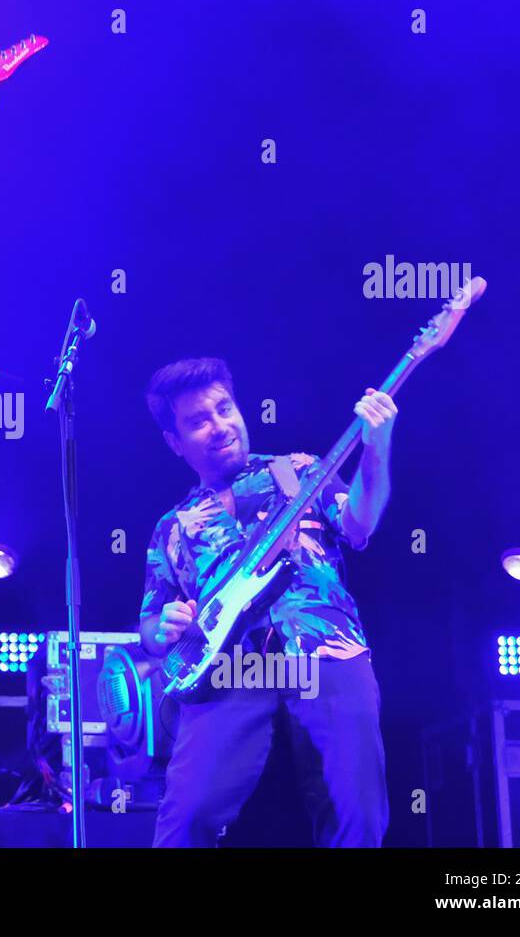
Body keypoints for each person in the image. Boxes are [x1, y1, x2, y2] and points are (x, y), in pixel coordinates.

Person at [139, 356, 394, 847]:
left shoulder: (298, 471)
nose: (219, 426)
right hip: (227, 666)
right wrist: (165, 626)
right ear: (174, 443)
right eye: (198, 421)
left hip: (325, 648)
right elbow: (149, 623)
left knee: (357, 810)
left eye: (224, 409)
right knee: (186, 815)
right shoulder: (173, 527)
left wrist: (376, 448)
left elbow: (359, 525)